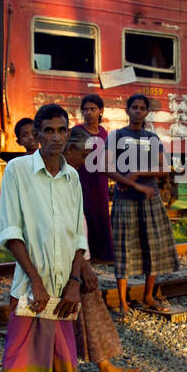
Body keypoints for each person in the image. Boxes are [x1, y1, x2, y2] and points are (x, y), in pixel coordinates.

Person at [0, 104, 94, 372]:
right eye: (48, 130)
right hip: (30, 286)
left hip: (62, 286)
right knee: (18, 360)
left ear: (68, 134)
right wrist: (35, 281)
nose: (55, 136)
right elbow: (11, 230)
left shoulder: (73, 178)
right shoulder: (17, 171)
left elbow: (78, 233)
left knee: (63, 358)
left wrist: (73, 281)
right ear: (36, 134)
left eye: (61, 130)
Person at [65, 126, 140, 372]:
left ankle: (104, 367)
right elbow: (68, 225)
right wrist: (83, 265)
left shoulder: (70, 174)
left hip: (76, 256)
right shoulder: (65, 177)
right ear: (70, 150)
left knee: (88, 310)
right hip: (72, 259)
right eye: (84, 155)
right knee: (77, 311)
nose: (86, 162)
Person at [108, 93, 180, 316]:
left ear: (146, 112)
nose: (138, 111)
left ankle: (148, 296)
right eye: (134, 107)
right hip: (126, 200)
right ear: (127, 110)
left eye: (142, 108)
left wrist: (137, 173)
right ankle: (122, 301)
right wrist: (133, 184)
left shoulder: (152, 138)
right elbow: (108, 167)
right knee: (123, 249)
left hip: (150, 199)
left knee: (153, 248)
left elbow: (164, 169)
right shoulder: (116, 136)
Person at [77, 95, 115, 264]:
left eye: (92, 109)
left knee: (101, 213)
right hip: (82, 178)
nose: (89, 113)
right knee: (86, 213)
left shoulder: (103, 132)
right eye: (85, 109)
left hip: (100, 179)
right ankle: (88, 254)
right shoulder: (77, 131)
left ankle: (103, 254)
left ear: (101, 111)